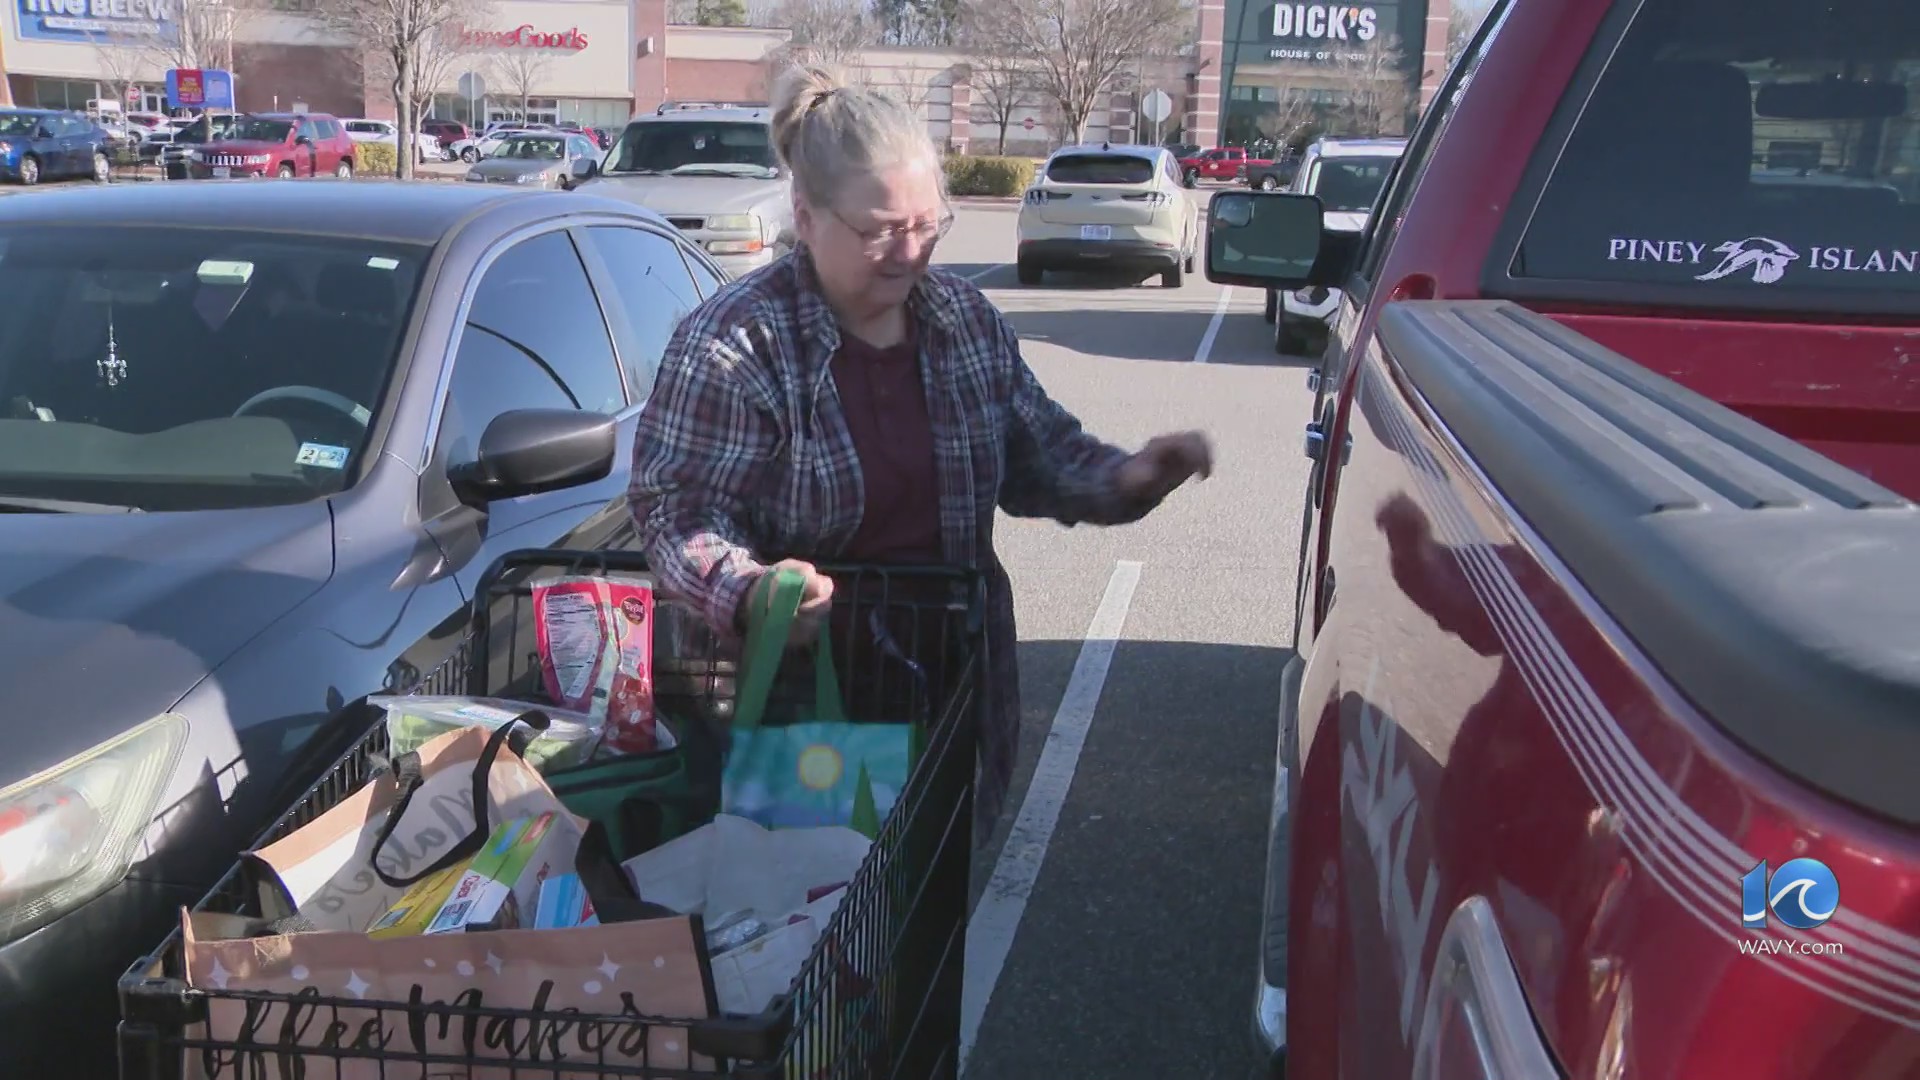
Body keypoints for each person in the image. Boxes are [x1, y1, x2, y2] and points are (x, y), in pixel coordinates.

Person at [627, 63, 1214, 837]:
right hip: (805, 709)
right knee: (818, 923)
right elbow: (675, 513)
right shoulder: (737, 346)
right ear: (804, 215)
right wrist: (748, 587)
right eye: (877, 231)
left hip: (951, 692)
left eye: (925, 224)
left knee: (932, 924)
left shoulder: (963, 322)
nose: (907, 252)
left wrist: (1129, 475)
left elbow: (1039, 453)